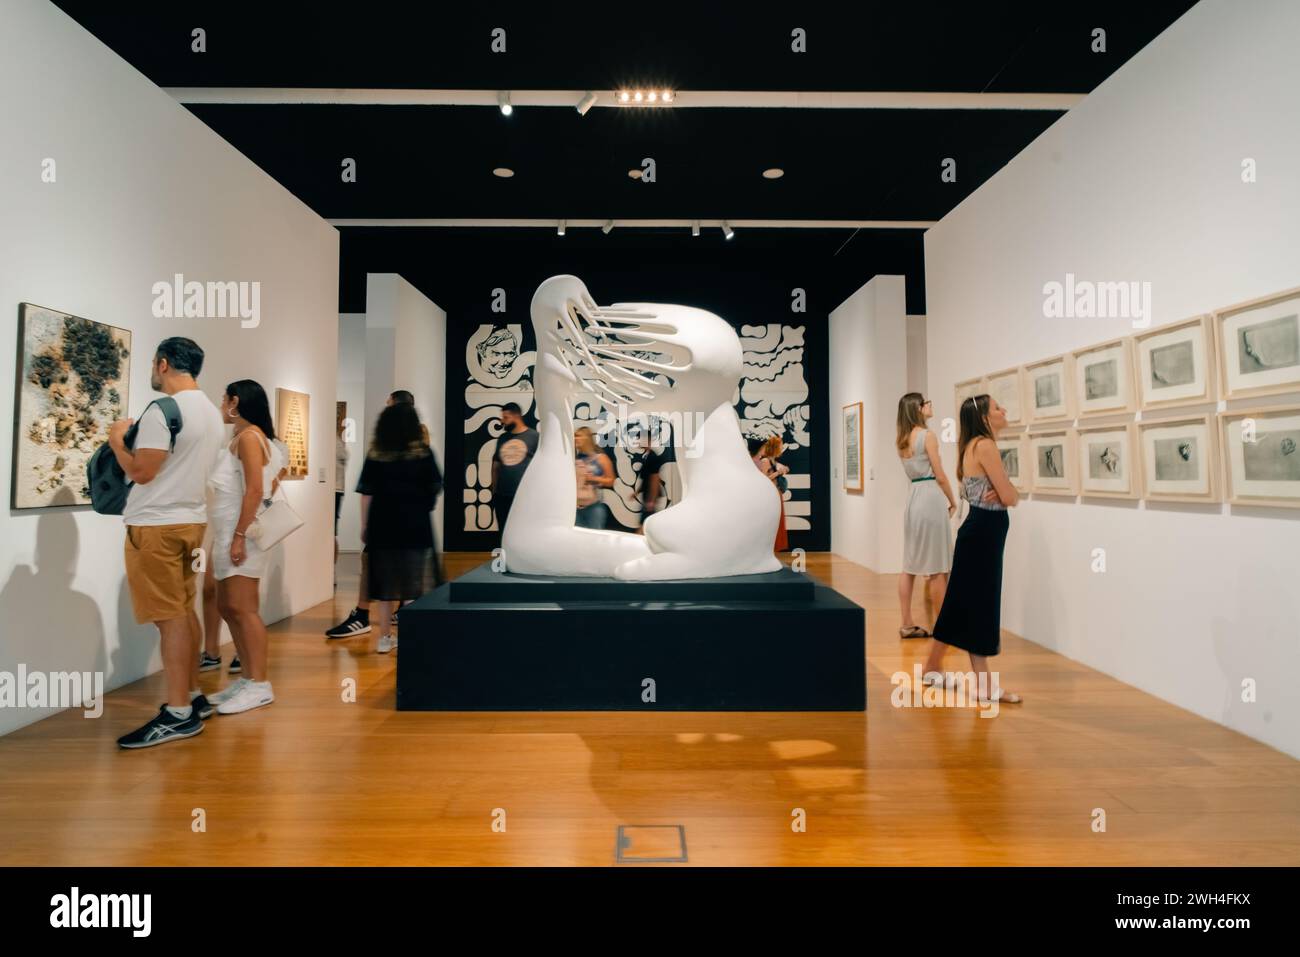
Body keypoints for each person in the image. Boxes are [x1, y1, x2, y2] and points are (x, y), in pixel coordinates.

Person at [110, 337, 224, 749]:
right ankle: (192, 695)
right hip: (192, 524)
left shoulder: (163, 410)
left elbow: (142, 472)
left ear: (162, 364)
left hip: (157, 526)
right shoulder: (211, 411)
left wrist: (116, 442)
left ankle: (178, 713)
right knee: (183, 609)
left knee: (169, 617)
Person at [924, 394, 1023, 705]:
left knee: (960, 601)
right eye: (997, 407)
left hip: (978, 530)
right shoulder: (985, 446)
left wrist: (1004, 492)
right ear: (983, 418)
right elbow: (1009, 497)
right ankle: (983, 685)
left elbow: (1001, 494)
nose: (1003, 409)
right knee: (980, 604)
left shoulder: (970, 446)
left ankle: (932, 667)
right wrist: (1009, 492)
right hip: (984, 532)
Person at [202, 380, 284, 714]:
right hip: (229, 533)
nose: (221, 405)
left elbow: (254, 490)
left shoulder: (250, 438)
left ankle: (260, 684)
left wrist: (239, 535)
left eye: (224, 399)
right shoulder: (244, 438)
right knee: (228, 606)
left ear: (236, 402)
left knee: (244, 608)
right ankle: (249, 679)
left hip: (240, 536)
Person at [325, 389, 425, 639]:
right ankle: (382, 618)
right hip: (400, 519)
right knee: (383, 563)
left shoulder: (387, 446)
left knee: (379, 564)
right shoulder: (406, 444)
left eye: (388, 403)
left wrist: (366, 523)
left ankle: (368, 616)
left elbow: (368, 490)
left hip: (391, 518)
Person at [357, 402, 442, 654]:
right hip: (415, 525)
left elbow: (366, 493)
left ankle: (384, 637)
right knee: (413, 581)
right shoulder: (423, 454)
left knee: (385, 583)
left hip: (382, 524)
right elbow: (435, 486)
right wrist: (422, 504)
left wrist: (364, 525)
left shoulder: (376, 454)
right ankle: (410, 634)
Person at [895, 393, 957, 639]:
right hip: (930, 496)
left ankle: (907, 622)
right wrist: (952, 501)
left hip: (914, 497)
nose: (930, 405)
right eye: (926, 402)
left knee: (909, 565)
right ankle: (945, 626)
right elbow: (940, 475)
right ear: (918, 409)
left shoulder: (901, 440)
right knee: (937, 567)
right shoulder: (927, 436)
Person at [490, 401, 538, 533]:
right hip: (502, 495)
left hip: (524, 496)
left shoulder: (534, 437)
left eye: (506, 417)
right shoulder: (503, 438)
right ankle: (505, 554)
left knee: (523, 532)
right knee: (504, 532)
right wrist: (494, 491)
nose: (502, 421)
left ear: (517, 416)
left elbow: (540, 468)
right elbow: (496, 465)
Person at [753, 436, 790, 552]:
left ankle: (774, 548)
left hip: (776, 492)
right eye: (780, 446)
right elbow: (763, 479)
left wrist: (781, 470)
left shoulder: (772, 460)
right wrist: (778, 473)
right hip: (770, 494)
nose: (781, 448)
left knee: (777, 521)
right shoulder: (765, 461)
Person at [574, 426, 615, 529]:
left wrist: (593, 479)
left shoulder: (601, 458)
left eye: (578, 436)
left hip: (593, 508)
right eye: (574, 436)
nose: (575, 438)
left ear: (587, 438)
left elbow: (611, 481)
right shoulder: (573, 458)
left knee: (595, 539)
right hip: (574, 508)